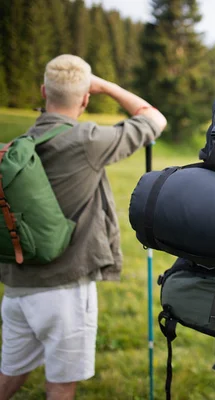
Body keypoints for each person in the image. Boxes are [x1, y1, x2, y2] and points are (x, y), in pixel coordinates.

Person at [0, 54, 166, 400]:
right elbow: (153, 119)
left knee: (10, 373)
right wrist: (106, 85)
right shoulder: (88, 140)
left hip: (16, 286)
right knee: (61, 385)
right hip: (64, 291)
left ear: (44, 91)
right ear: (87, 98)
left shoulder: (18, 146)